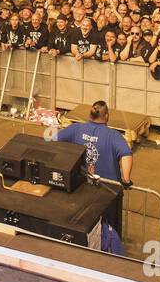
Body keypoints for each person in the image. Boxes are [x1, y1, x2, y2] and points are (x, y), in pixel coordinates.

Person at [49, 100, 131, 255]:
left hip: (81, 190)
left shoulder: (76, 129)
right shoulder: (113, 136)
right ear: (106, 116)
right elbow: (126, 155)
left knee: (83, 225)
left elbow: (53, 140)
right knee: (108, 228)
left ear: (90, 115)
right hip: (107, 193)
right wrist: (126, 180)